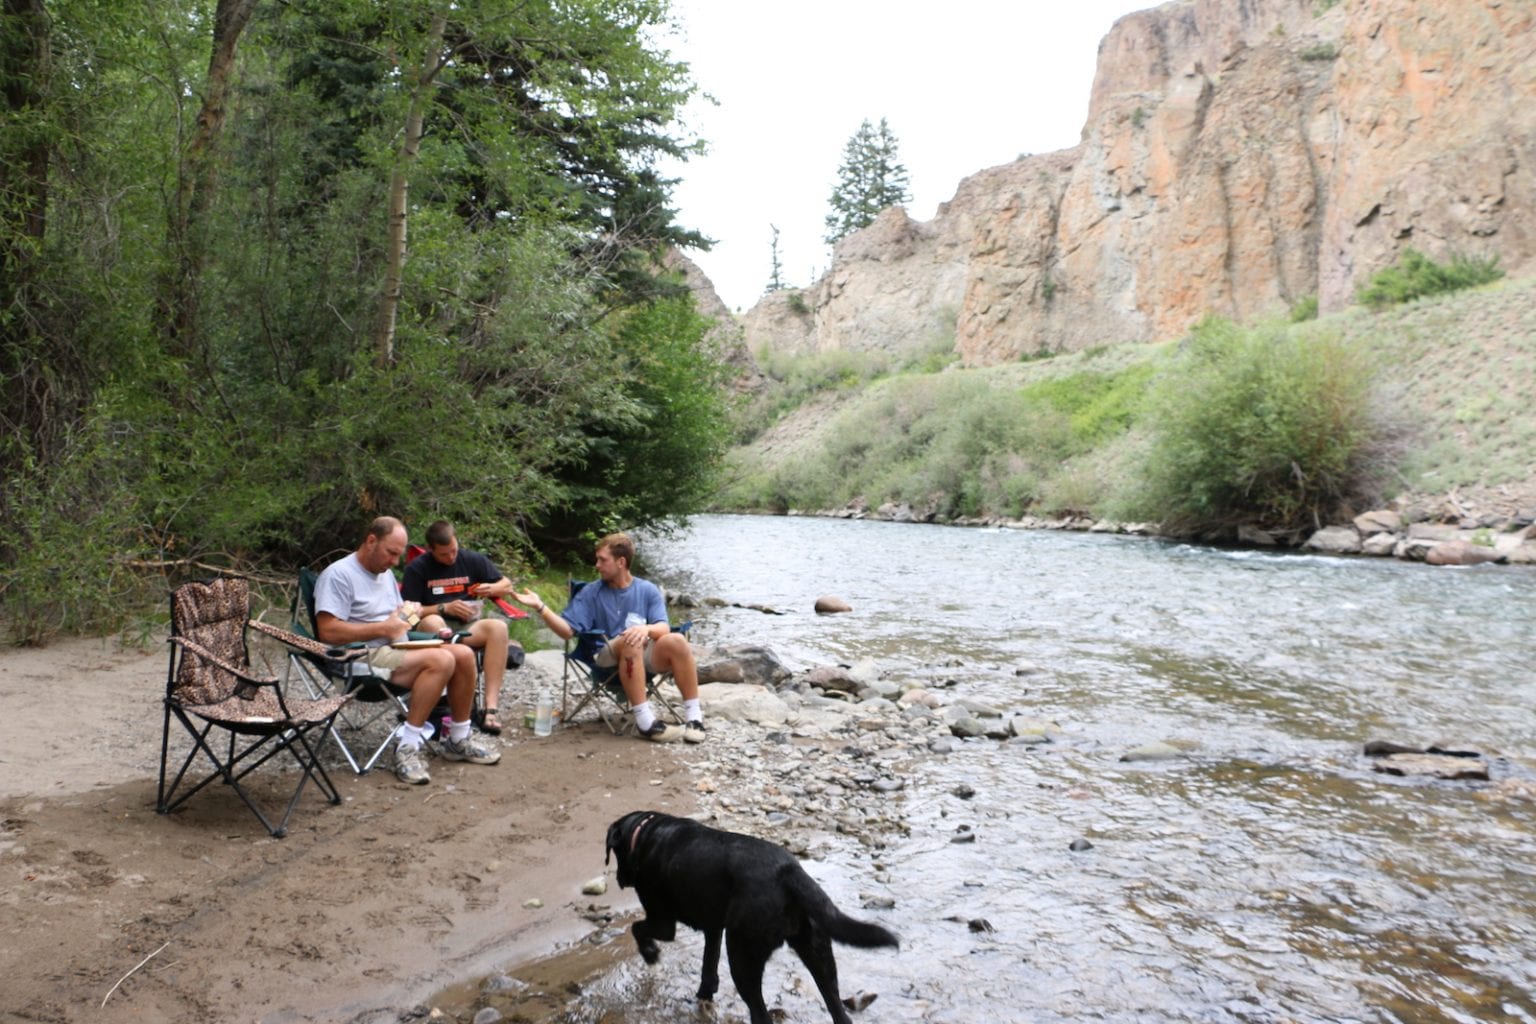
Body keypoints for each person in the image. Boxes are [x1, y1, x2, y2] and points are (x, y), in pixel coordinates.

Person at [313, 516, 501, 785]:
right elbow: (327, 631)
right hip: (360, 656)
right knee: (440, 660)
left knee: (463, 654)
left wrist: (409, 616)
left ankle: (458, 739)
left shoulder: (385, 574)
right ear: (371, 541)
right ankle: (407, 747)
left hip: (395, 646)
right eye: (391, 553)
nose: (395, 562)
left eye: (399, 555)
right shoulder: (339, 575)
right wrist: (383, 628)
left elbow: (396, 620)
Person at [512, 532, 705, 743]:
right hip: (605, 655)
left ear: (621, 562)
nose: (597, 565)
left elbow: (663, 628)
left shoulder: (647, 590)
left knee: (676, 640)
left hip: (644, 655)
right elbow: (567, 631)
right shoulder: (590, 592)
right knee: (631, 639)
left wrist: (646, 629)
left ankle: (694, 719)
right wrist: (541, 607)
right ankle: (645, 722)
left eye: (602, 560)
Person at [400, 520, 522, 735]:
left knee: (498, 628)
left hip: (468, 626)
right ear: (431, 550)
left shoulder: (471, 560)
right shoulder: (417, 568)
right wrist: (443, 607)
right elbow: (407, 615)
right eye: (444, 554)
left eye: (454, 550)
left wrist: (490, 588)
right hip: (434, 628)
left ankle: (490, 708)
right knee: (433, 622)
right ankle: (444, 702)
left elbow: (507, 585)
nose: (451, 557)